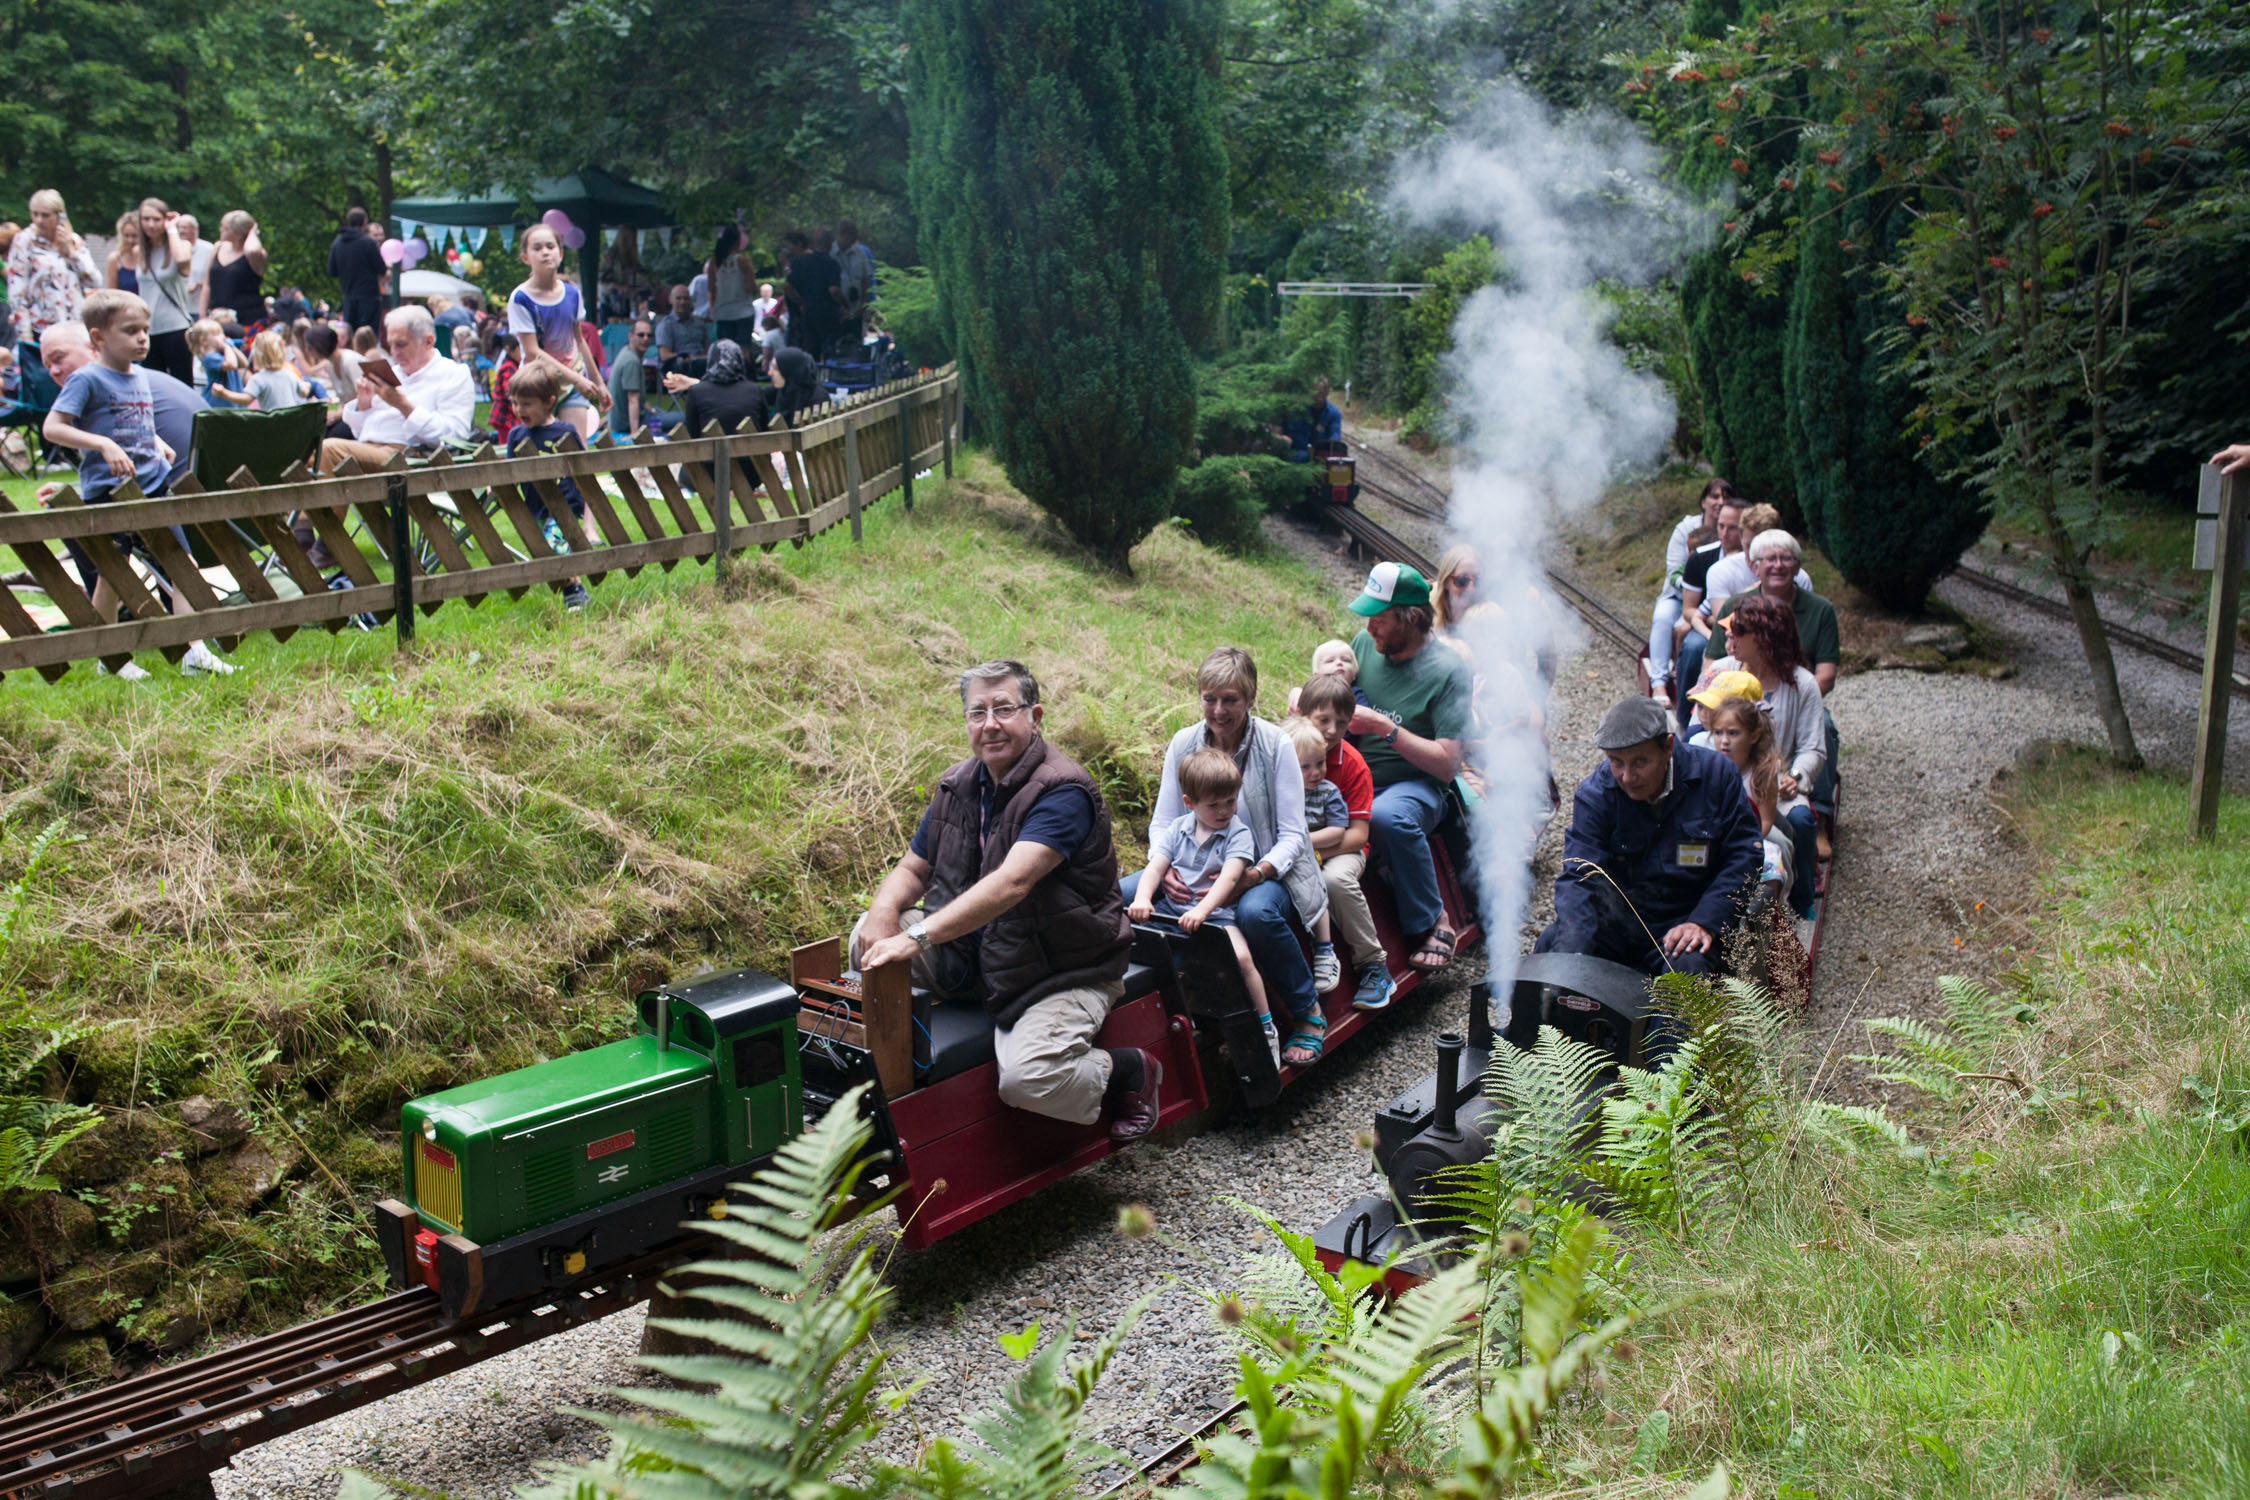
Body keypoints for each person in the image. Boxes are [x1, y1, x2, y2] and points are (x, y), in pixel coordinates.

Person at [855, 659, 1157, 1137]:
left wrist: (916, 936)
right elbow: (915, 867)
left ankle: (1125, 1070)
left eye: (1004, 709)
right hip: (979, 954)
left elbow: (1013, 882)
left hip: (1056, 966)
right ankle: (888, 1078)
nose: (989, 724)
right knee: (865, 940)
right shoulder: (957, 785)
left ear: (1035, 717)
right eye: (977, 713)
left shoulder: (1063, 789)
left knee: (1027, 1080)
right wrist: (881, 912)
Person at [1124, 647, 1327, 1063]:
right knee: (1122, 895)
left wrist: (1251, 877)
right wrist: (1163, 871)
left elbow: (1293, 835)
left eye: (1230, 699)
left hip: (1267, 869)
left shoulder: (1276, 746)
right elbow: (1164, 821)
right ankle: (1164, 1005)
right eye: (1209, 698)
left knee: (1256, 914)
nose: (1218, 710)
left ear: (1250, 698)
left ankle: (1307, 1012)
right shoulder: (1184, 743)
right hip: (1193, 866)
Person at [40, 290, 234, 678]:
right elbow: (53, 428)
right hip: (109, 492)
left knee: (183, 565)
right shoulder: (86, 379)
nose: (143, 338)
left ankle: (194, 650)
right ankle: (111, 659)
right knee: (114, 577)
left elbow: (137, 424)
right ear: (98, 338)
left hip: (153, 484)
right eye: (130, 331)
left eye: (145, 330)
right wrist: (102, 444)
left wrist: (156, 444)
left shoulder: (138, 376)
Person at [1537, 696, 1762, 980]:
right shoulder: (1596, 795)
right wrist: (1572, 951)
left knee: (1688, 972)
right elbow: (1579, 875)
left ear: (1668, 747)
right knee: (1553, 946)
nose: (1627, 776)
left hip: (1684, 923)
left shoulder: (1717, 776)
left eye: (1640, 762)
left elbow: (1745, 856)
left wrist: (1704, 922)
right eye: (1616, 762)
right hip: (1618, 925)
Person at [1343, 562, 1474, 974]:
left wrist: (1385, 728)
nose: (1369, 627)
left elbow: (1448, 764)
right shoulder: (1364, 646)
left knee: (1387, 816)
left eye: (1378, 618)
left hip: (1414, 786)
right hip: (1353, 777)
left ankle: (1433, 921)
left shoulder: (1449, 671)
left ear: (1411, 617)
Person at [1127, 746, 1280, 1067]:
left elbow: (1228, 878)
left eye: (1230, 801)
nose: (1224, 811)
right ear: (1189, 804)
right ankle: (1177, 1020)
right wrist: (1142, 898)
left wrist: (1203, 910)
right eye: (1213, 805)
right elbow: (1155, 867)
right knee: (1142, 948)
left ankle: (1265, 1025)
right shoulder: (1177, 830)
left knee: (1239, 957)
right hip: (1173, 914)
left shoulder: (1237, 832)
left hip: (1217, 916)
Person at [1700, 594, 1823, 917]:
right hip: (1724, 776)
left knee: (1800, 820)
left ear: (1763, 637)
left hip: (1773, 780)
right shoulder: (1723, 670)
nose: (1728, 635)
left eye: (1738, 630)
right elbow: (1698, 725)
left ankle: (1802, 898)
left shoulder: (1802, 684)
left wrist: (1795, 777)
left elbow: (1813, 747)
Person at [505, 224, 610, 441]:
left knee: (577, 451)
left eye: (550, 246)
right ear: (526, 258)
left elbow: (580, 341)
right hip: (537, 384)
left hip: (571, 382)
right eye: (537, 248)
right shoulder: (521, 298)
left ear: (560, 254)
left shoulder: (572, 293)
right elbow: (532, 351)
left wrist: (598, 383)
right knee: (540, 453)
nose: (545, 252)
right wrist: (576, 380)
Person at [504, 363, 593, 612]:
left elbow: (580, 466)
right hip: (535, 504)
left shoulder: (563, 431)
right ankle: (574, 588)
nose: (519, 409)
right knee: (544, 550)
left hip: (565, 502)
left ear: (548, 402)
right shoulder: (516, 435)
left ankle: (574, 590)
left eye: (526, 404)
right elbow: (509, 469)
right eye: (515, 403)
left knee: (555, 546)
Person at [1699, 689, 1794, 905]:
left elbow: (1766, 820)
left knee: (1781, 848)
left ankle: (1780, 903)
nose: (1724, 741)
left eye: (1733, 733)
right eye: (1718, 733)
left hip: (1754, 835)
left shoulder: (1762, 772)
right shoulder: (1708, 768)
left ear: (1754, 736)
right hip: (1718, 835)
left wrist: (1741, 843)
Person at [1647, 479, 1734, 704]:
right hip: (1680, 595)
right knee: (1663, 619)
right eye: (1714, 496)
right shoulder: (1686, 528)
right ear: (1703, 501)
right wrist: (1692, 592)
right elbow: (1673, 569)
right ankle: (1658, 682)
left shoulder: (1734, 531)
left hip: (1712, 600)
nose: (1720, 502)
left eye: (1725, 497)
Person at [9, 191, 101, 394]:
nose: (39, 220)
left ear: (59, 215)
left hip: (73, 324)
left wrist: (70, 251)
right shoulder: (24, 241)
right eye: (35, 214)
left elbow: (94, 280)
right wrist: (25, 335)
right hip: (41, 327)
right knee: (50, 387)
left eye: (45, 215)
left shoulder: (73, 240)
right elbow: (17, 291)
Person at [133, 200, 200, 386]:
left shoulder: (181, 246)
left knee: (182, 384)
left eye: (156, 219)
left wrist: (172, 228)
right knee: (152, 386)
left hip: (175, 328)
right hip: (148, 329)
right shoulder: (141, 251)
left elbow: (181, 258)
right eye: (146, 219)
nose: (151, 224)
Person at [784, 228, 844, 362]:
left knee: (810, 350)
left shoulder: (803, 261)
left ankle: (810, 377)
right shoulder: (831, 264)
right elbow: (834, 290)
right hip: (828, 312)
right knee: (829, 349)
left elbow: (788, 286)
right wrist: (844, 304)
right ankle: (828, 378)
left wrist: (801, 302)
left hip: (809, 312)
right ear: (830, 243)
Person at [203, 212, 267, 330]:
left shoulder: (254, 255)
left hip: (247, 321)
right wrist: (202, 318)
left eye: (226, 228)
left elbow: (252, 250)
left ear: (238, 234)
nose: (220, 229)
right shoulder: (218, 247)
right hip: (217, 319)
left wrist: (252, 232)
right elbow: (207, 285)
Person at [328, 209, 387, 335]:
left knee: (350, 335)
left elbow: (332, 272)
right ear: (364, 222)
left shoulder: (336, 244)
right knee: (368, 336)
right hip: (369, 297)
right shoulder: (369, 243)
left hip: (348, 296)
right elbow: (381, 269)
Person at [705, 227, 760, 348]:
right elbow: (751, 288)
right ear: (738, 241)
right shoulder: (744, 261)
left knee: (726, 350)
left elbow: (711, 289)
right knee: (744, 348)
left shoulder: (713, 263)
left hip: (723, 313)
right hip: (743, 313)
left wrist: (713, 310)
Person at [190, 320, 252, 408]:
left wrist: (232, 347)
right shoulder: (209, 357)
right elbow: (231, 365)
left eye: (222, 333)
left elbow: (244, 364)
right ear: (204, 341)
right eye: (217, 334)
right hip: (219, 403)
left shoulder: (224, 353)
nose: (223, 337)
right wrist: (227, 347)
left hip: (232, 401)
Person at [607, 319, 653, 437]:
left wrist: (652, 410)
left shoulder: (625, 352)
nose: (645, 339)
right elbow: (633, 398)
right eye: (641, 335)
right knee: (680, 418)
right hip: (626, 424)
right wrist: (634, 432)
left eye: (649, 335)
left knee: (660, 412)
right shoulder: (631, 361)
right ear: (630, 336)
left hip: (618, 420)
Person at [245, 330, 312, 410]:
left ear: (256, 354)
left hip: (271, 421)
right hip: (291, 420)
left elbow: (246, 399)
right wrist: (308, 385)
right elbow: (303, 393)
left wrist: (225, 393)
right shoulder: (290, 374)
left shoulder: (257, 379)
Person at [834, 219, 875, 344]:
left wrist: (864, 306)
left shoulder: (860, 254)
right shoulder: (830, 253)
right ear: (843, 233)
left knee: (855, 346)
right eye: (853, 235)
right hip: (836, 313)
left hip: (856, 311)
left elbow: (866, 281)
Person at [1282, 380, 1343, 462]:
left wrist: (1329, 446)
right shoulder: (1299, 410)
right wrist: (1309, 449)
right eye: (1313, 392)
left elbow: (1335, 434)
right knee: (1301, 457)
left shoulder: (1334, 413)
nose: (1316, 396)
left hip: (1322, 452)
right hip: (1300, 450)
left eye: (1320, 393)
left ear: (1326, 393)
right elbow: (1294, 433)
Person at [654, 284, 709, 376]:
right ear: (670, 300)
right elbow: (664, 355)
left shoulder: (699, 323)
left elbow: (708, 349)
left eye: (686, 298)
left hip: (701, 363)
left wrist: (697, 358)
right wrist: (685, 358)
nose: (682, 302)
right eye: (678, 298)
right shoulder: (666, 325)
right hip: (679, 368)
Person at [105, 211, 143, 294]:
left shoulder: (151, 258)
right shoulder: (115, 260)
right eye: (126, 235)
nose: (130, 240)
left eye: (134, 236)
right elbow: (111, 294)